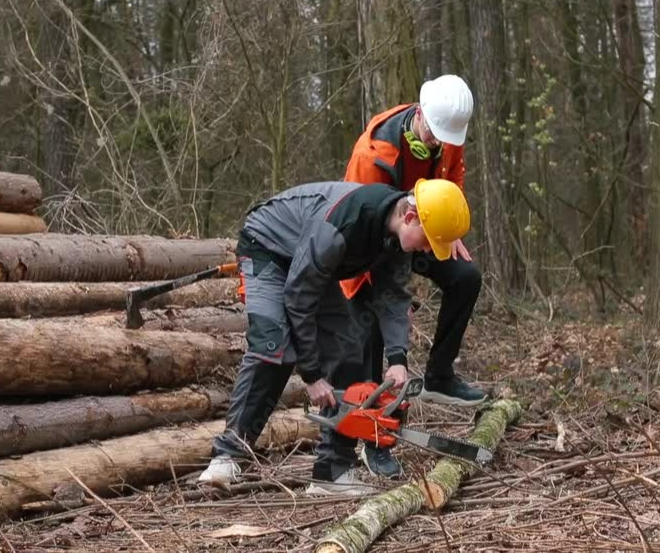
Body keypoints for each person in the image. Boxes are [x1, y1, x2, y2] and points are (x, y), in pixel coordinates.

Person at [196, 178, 470, 495]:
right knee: (274, 347)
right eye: (428, 240)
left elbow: (393, 298)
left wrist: (397, 359)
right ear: (410, 216)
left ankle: (332, 473)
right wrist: (312, 375)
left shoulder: (394, 238)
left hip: (312, 265)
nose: (426, 249)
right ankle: (227, 456)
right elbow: (299, 298)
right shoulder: (344, 224)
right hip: (269, 251)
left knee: (350, 348)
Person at [342, 74, 485, 479]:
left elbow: (453, 178)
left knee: (465, 277)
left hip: (421, 233)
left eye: (446, 139)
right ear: (419, 112)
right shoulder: (375, 156)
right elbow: (362, 222)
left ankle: (440, 373)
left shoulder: (447, 134)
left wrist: (449, 230)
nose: (439, 144)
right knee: (375, 328)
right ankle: (373, 438)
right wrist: (395, 323)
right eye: (434, 135)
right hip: (369, 246)